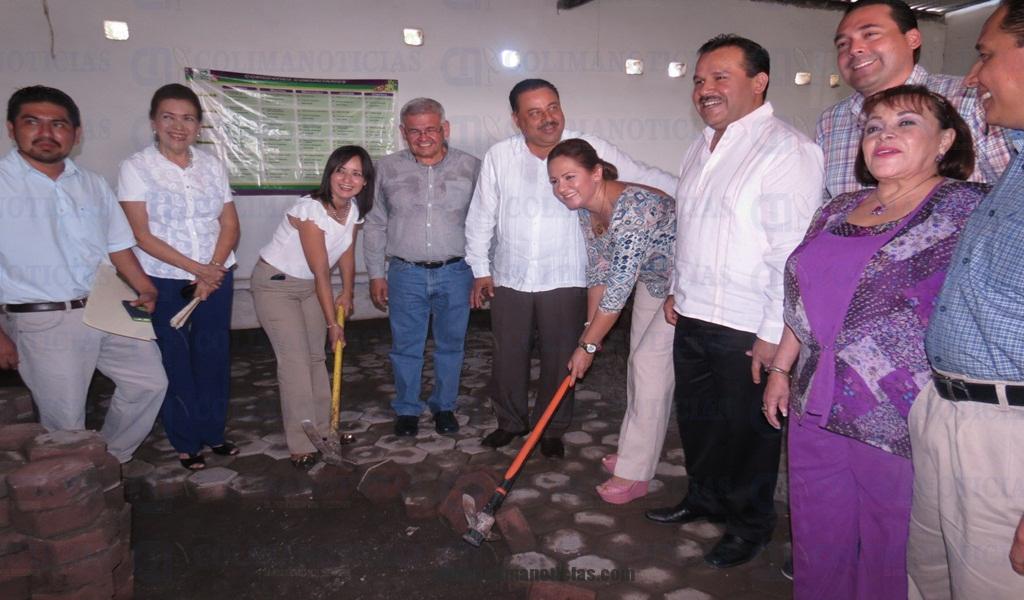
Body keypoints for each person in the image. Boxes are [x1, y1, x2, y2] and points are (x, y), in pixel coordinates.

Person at [762, 84, 985, 599]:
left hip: (900, 414)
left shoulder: (966, 209)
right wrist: (780, 368)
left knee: (893, 546)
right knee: (818, 534)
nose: (885, 135)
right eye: (873, 127)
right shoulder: (838, 208)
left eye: (906, 123)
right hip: (813, 400)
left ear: (945, 140)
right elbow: (801, 298)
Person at [644, 35, 823, 569]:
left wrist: (773, 332)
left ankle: (750, 525)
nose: (706, 89)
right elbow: (691, 228)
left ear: (759, 81)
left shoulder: (787, 150)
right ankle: (705, 498)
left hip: (748, 325)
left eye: (720, 77)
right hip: (694, 313)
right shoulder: (701, 146)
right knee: (699, 420)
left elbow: (789, 254)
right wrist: (678, 288)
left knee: (748, 432)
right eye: (700, 80)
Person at [464, 79, 676, 459]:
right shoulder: (499, 156)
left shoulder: (588, 149)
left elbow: (644, 176)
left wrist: (695, 190)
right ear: (517, 119)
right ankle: (510, 422)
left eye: (553, 107)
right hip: (511, 274)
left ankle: (551, 428)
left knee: (563, 355)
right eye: (534, 112)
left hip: (567, 275)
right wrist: (480, 267)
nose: (548, 118)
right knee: (507, 355)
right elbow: (481, 214)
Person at [910, 2, 1024, 597]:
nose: (974, 76)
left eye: (985, 55)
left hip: (1004, 438)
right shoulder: (1016, 166)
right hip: (946, 410)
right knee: (929, 579)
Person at [0, 85, 166, 463]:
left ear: (76, 134)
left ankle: (109, 460)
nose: (46, 133)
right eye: (33, 122)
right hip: (44, 318)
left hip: (107, 301)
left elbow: (117, 245)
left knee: (149, 383)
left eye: (58, 124)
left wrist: (144, 286)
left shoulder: (91, 183)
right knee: (66, 421)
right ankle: (78, 480)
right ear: (12, 128)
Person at [118, 83, 241, 470]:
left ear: (198, 126)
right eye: (168, 117)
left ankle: (213, 432)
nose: (178, 126)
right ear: (154, 122)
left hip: (216, 276)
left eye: (188, 118)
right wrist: (198, 269)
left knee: (213, 355)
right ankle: (186, 440)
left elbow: (229, 224)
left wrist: (212, 269)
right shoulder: (136, 167)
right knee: (175, 359)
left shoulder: (212, 165)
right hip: (164, 279)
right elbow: (140, 234)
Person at [546, 138, 675, 504]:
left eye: (569, 177)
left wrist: (586, 348)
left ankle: (635, 473)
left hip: (686, 284)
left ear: (596, 173)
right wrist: (590, 332)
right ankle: (639, 450)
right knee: (639, 364)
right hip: (654, 279)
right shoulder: (587, 210)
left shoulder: (632, 209)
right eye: (554, 181)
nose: (562, 188)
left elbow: (618, 289)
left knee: (649, 365)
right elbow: (600, 273)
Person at [363, 98, 480, 438]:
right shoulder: (385, 169)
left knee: (451, 346)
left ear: (445, 129)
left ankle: (444, 406)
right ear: (403, 132)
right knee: (405, 347)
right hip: (405, 274)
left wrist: (485, 274)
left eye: (431, 129)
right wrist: (375, 274)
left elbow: (486, 223)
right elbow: (375, 224)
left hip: (457, 273)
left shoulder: (472, 168)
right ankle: (407, 408)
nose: (423, 137)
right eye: (415, 131)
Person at [251, 145, 373, 469]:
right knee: (295, 362)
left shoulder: (352, 209)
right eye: (341, 171)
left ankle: (324, 429)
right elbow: (321, 271)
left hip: (308, 287)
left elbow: (346, 252)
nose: (347, 179)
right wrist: (334, 324)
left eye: (356, 174)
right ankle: (300, 443)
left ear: (365, 182)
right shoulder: (310, 210)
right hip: (276, 285)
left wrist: (348, 293)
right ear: (329, 173)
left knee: (317, 358)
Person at [819, 0, 1011, 199]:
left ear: (912, 39)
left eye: (870, 34)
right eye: (842, 44)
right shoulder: (831, 121)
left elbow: (1015, 193)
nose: (853, 49)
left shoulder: (972, 98)